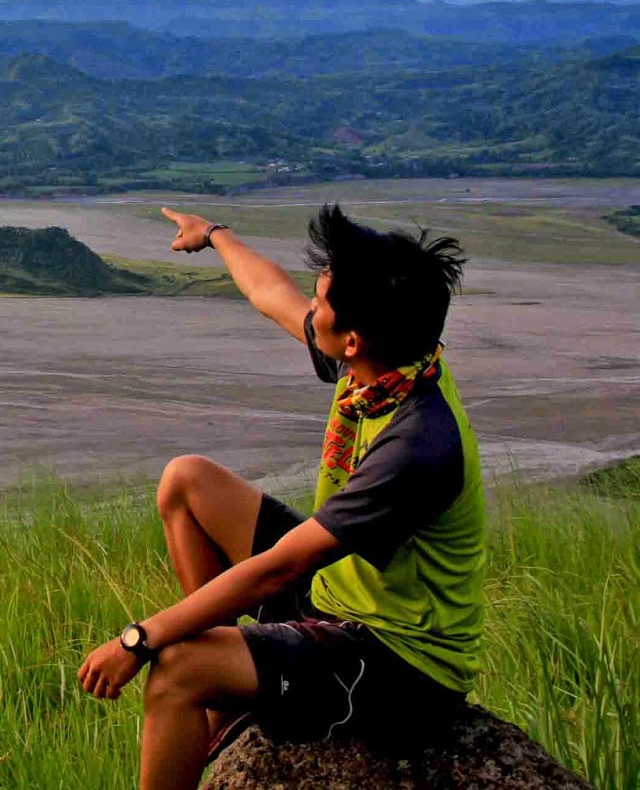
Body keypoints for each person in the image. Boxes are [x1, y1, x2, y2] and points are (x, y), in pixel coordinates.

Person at [76, 204, 485, 790]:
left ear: (351, 339)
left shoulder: (420, 444)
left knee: (175, 669)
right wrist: (214, 236)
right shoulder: (388, 362)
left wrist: (139, 638)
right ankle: (232, 692)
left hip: (402, 666)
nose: (308, 309)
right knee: (186, 482)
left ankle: (212, 681)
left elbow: (280, 568)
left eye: (320, 303)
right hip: (340, 592)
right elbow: (271, 293)